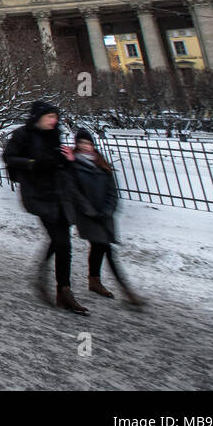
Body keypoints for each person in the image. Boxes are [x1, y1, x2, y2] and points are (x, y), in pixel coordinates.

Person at [3, 100, 89, 314]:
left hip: (59, 193)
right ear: (39, 117)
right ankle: (63, 290)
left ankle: (58, 286)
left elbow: (56, 163)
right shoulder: (23, 135)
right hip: (38, 194)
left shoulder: (54, 135)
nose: (54, 120)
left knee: (62, 241)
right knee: (61, 241)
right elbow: (9, 158)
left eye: (55, 117)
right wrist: (33, 164)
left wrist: (67, 160)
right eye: (50, 116)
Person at [68, 129, 144, 307]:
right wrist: (90, 210)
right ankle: (125, 289)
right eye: (81, 144)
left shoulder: (102, 163)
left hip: (105, 214)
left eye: (88, 143)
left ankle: (94, 280)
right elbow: (75, 192)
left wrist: (108, 209)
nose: (85, 147)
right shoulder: (74, 165)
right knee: (105, 248)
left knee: (99, 248)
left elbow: (112, 191)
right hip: (88, 215)